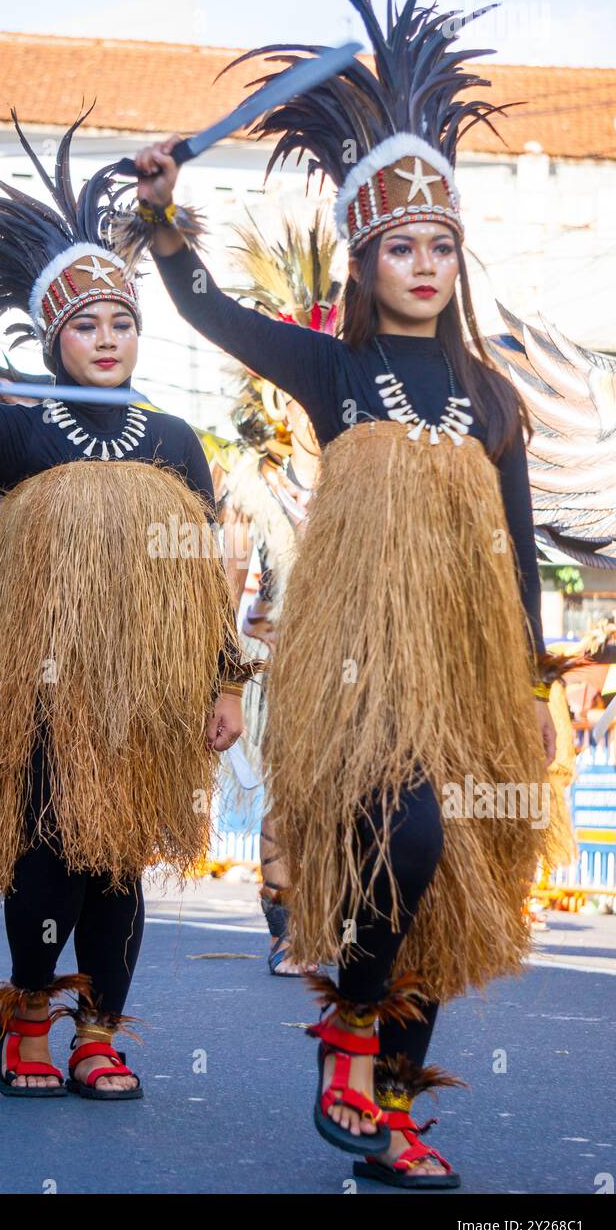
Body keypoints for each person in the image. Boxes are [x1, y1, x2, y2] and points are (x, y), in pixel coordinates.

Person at [129, 0, 565, 1187]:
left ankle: (387, 1105)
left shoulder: (486, 394)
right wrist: (161, 221)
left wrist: (532, 689)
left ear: (453, 258)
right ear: (362, 259)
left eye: (438, 248)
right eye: (397, 248)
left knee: (445, 882)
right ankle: (347, 1028)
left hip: (472, 674)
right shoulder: (333, 369)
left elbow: (517, 544)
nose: (420, 266)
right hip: (363, 672)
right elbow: (208, 311)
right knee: (411, 836)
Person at [0, 108, 249, 1098]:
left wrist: (225, 680)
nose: (104, 336)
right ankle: (29, 1019)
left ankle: (99, 1030)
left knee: (119, 861)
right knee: (48, 851)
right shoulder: (17, 426)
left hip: (150, 686)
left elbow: (203, 568)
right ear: (54, 338)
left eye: (120, 320)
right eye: (85, 324)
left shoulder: (173, 435)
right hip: (48, 686)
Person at [218, 211, 335, 975]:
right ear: (278, 405)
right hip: (281, 669)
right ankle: (287, 929)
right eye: (297, 392)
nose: (311, 406)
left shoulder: (375, 475)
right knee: (291, 796)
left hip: (363, 666)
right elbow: (224, 584)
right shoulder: (253, 489)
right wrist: (225, 674)